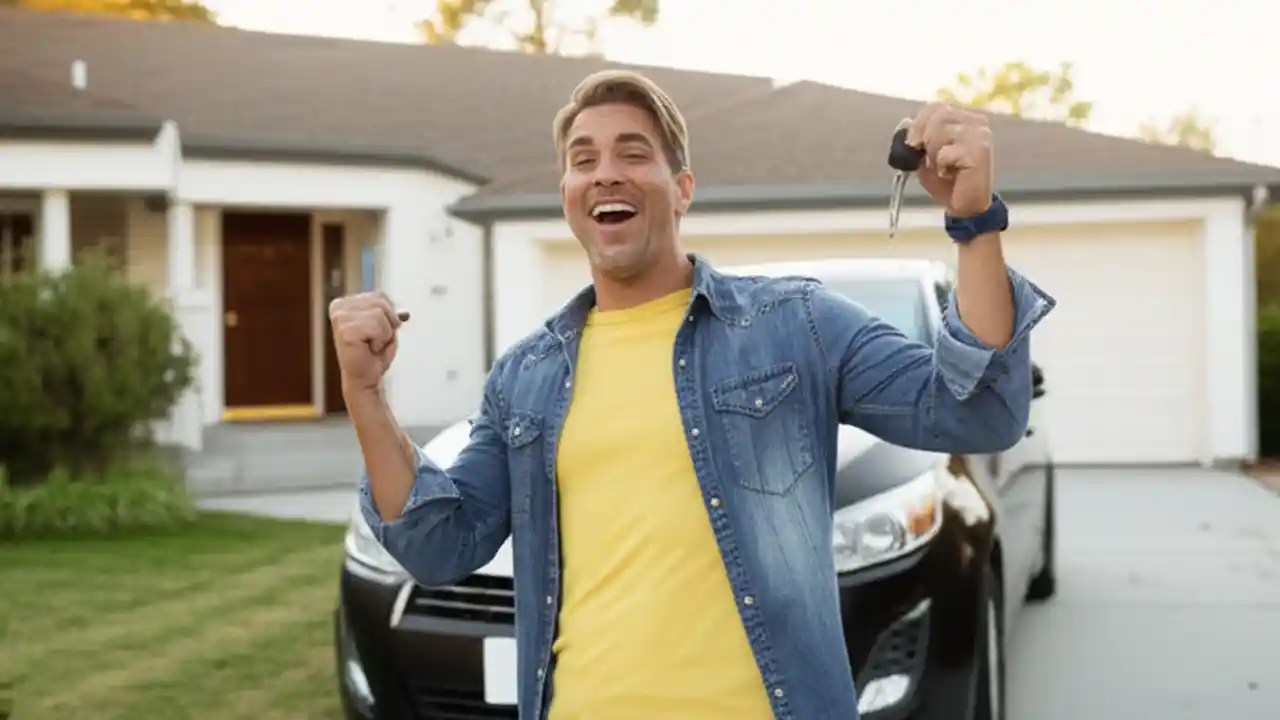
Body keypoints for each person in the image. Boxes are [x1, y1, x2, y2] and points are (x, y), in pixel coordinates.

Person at [330, 69, 1056, 720]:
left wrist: (975, 223)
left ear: (682, 189)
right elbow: (436, 543)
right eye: (584, 160)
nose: (606, 173)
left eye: (633, 153)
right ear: (567, 198)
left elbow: (978, 408)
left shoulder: (793, 326)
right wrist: (366, 396)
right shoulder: (527, 377)